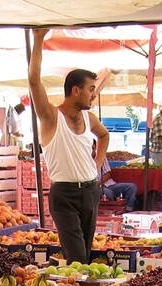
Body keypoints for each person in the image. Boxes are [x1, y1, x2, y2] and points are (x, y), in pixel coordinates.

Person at [27, 28, 110, 265]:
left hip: (90, 192)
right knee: (76, 257)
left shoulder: (89, 119)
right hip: (64, 194)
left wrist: (97, 163)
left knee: (85, 251)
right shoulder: (52, 117)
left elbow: (104, 136)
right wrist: (39, 39)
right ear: (76, 90)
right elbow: (34, 81)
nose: (93, 95)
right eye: (91, 90)